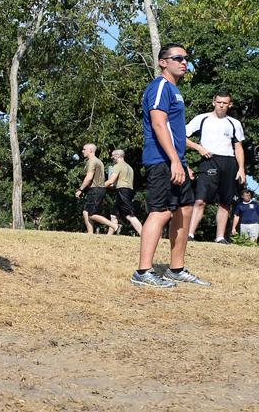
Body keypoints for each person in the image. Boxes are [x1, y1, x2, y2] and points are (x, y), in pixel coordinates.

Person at [132, 43, 208, 288]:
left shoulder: (175, 90)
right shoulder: (160, 87)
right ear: (163, 62)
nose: (184, 62)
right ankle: (143, 272)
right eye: (178, 58)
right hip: (161, 161)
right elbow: (158, 124)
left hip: (177, 162)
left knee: (184, 210)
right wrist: (174, 160)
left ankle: (176, 269)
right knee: (161, 211)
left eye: (186, 58)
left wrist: (184, 162)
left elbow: (175, 133)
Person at [186, 92, 246, 244]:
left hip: (229, 162)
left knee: (225, 202)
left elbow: (238, 147)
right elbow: (181, 136)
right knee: (200, 200)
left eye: (224, 103)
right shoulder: (202, 118)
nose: (221, 105)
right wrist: (198, 147)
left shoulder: (234, 123)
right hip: (209, 160)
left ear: (229, 105)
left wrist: (241, 169)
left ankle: (219, 237)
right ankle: (190, 234)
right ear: (214, 102)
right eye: (218, 102)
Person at [75, 144, 118, 235]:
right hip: (97, 189)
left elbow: (89, 177)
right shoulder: (97, 161)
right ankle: (90, 233)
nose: (82, 151)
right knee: (86, 212)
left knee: (91, 214)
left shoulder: (92, 161)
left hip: (96, 189)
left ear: (90, 150)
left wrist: (80, 189)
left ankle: (114, 226)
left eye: (84, 149)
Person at [105, 149, 143, 235]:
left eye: (113, 156)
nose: (112, 158)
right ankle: (108, 236)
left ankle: (143, 234)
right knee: (114, 215)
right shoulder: (129, 168)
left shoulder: (118, 166)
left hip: (123, 191)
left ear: (118, 156)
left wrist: (100, 186)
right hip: (127, 191)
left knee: (129, 215)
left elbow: (111, 180)